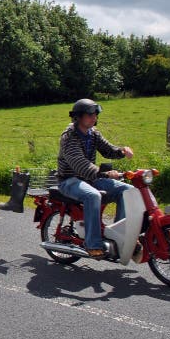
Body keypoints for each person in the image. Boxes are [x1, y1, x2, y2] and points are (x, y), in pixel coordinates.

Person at [56, 99, 134, 258]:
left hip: (89, 179)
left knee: (127, 190)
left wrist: (121, 151)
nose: (94, 118)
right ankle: (92, 244)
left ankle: (119, 237)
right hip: (69, 180)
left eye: (96, 114)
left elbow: (108, 150)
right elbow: (80, 165)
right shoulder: (69, 137)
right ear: (78, 117)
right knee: (92, 195)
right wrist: (103, 173)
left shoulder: (93, 133)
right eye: (90, 114)